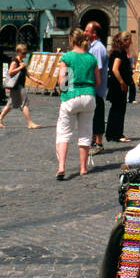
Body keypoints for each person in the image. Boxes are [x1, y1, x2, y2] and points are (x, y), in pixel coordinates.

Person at [54, 29, 100, 180]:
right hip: (88, 96)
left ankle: (61, 166)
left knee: (64, 133)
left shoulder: (67, 57)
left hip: (71, 97)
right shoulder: (91, 58)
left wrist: (63, 89)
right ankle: (83, 167)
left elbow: (63, 81)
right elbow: (98, 82)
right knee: (85, 133)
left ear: (70, 40)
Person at [0, 43, 40, 129]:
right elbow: (10, 72)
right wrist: (20, 67)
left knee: (10, 103)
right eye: (23, 53)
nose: (25, 55)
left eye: (25, 53)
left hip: (18, 85)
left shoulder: (21, 62)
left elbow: (27, 74)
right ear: (18, 52)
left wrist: (36, 80)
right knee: (24, 103)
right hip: (17, 86)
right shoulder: (14, 61)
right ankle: (30, 123)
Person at [85, 22, 109, 154]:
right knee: (93, 116)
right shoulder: (91, 47)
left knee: (98, 116)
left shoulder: (98, 48)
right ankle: (93, 141)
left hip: (96, 89)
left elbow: (97, 69)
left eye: (87, 30)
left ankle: (99, 144)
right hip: (93, 88)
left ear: (94, 33)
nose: (84, 33)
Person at [106, 32, 134, 143]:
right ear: (124, 41)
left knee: (115, 109)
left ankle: (111, 134)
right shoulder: (120, 53)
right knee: (119, 110)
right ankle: (117, 134)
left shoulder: (116, 52)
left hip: (115, 85)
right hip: (118, 86)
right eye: (129, 40)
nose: (131, 42)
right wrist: (122, 82)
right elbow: (115, 69)